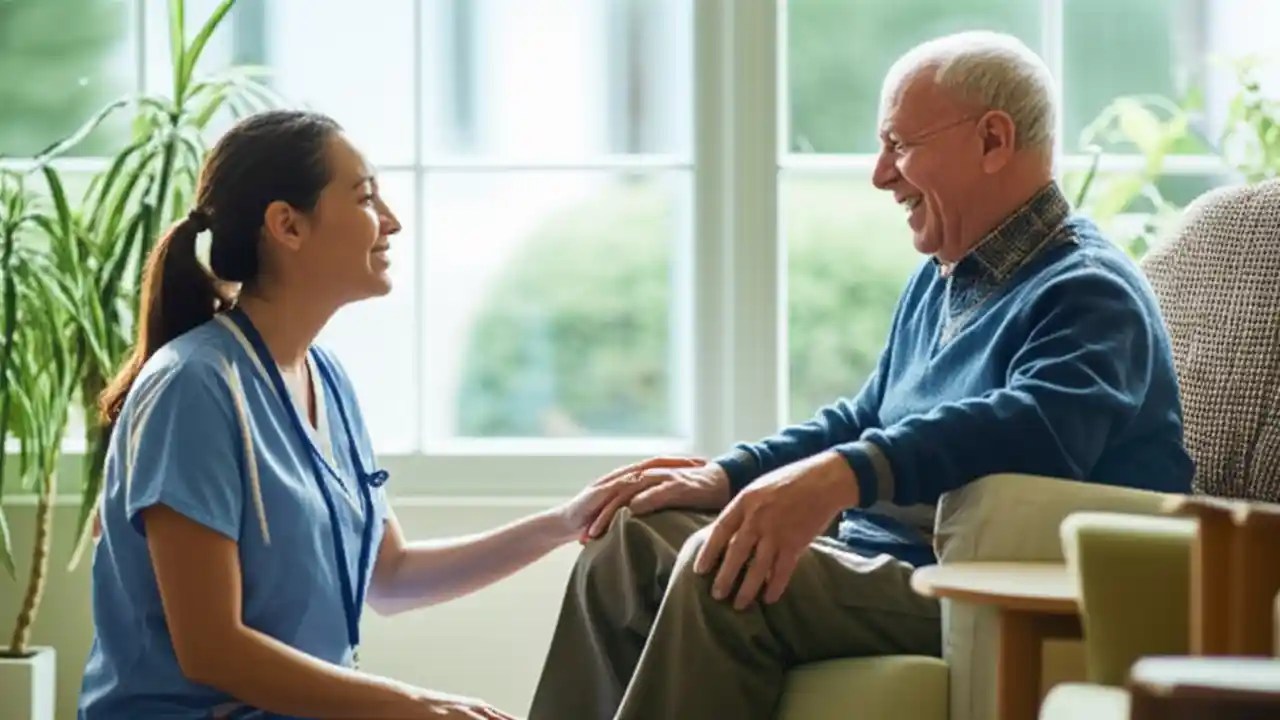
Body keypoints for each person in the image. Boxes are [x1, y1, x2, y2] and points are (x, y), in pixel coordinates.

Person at [528, 31, 1196, 720]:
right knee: (631, 542)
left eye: (900, 145)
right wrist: (727, 475)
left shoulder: (1088, 290)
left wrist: (844, 474)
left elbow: (1039, 428)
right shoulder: (942, 280)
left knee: (721, 571)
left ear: (994, 141)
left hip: (991, 588)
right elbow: (867, 415)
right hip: (883, 561)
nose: (881, 174)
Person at [77, 109, 646, 720]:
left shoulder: (327, 379)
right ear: (287, 226)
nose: (392, 222)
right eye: (367, 197)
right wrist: (417, 706)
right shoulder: (192, 388)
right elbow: (212, 651)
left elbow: (392, 576)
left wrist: (562, 523)